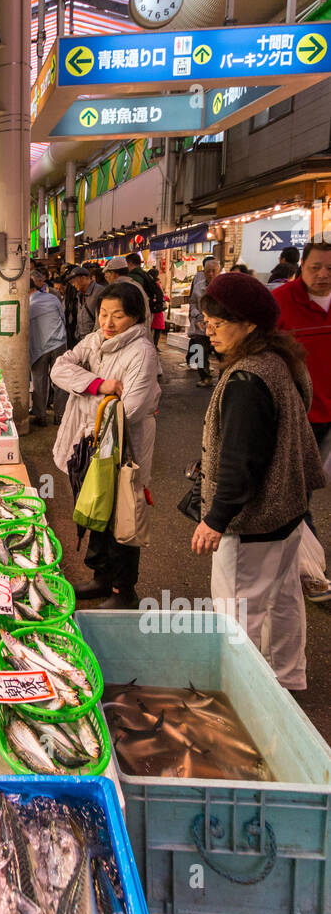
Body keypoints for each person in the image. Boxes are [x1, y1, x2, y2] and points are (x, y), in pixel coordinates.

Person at [190, 273, 325, 692]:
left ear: (249, 324)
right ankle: (286, 680)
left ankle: (239, 697)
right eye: (206, 322)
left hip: (253, 522)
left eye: (218, 324)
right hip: (287, 512)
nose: (208, 332)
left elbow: (239, 458)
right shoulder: (281, 359)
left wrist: (215, 519)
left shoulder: (247, 379)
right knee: (284, 600)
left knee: (236, 615)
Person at [51, 281, 160, 608]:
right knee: (95, 511)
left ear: (136, 317)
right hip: (89, 446)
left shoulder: (142, 352)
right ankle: (100, 578)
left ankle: (123, 591)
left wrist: (83, 393)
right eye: (103, 314)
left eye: (118, 316)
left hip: (121, 450)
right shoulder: (94, 340)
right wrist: (99, 386)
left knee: (120, 518)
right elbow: (60, 368)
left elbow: (132, 408)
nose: (108, 323)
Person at [273, 240, 331, 598]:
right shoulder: (281, 302)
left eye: (330, 268)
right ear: (301, 267)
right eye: (316, 267)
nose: (324, 275)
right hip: (300, 418)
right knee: (298, 495)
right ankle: (311, 572)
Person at [29, 272, 67, 425]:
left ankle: (41, 416)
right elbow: (62, 318)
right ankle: (60, 415)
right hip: (59, 342)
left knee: (39, 380)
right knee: (60, 380)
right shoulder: (52, 298)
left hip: (40, 347)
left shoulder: (28, 304)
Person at [188, 255, 220, 386]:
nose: (211, 274)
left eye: (214, 271)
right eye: (208, 271)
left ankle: (224, 379)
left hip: (218, 326)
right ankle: (205, 378)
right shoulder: (198, 286)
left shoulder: (224, 287)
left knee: (222, 354)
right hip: (201, 325)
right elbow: (192, 303)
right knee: (200, 352)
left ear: (219, 271)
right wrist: (196, 315)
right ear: (204, 272)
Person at [63, 266, 103, 348]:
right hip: (82, 340)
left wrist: (93, 340)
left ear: (84, 278)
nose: (73, 285)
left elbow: (99, 322)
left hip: (94, 342)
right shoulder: (79, 294)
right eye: (71, 283)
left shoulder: (99, 292)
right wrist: (77, 333)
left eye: (74, 281)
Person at [146, 265, 167, 347]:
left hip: (153, 309)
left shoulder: (150, 284)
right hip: (157, 309)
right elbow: (160, 295)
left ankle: (152, 344)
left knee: (151, 328)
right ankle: (154, 345)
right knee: (157, 328)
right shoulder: (155, 284)